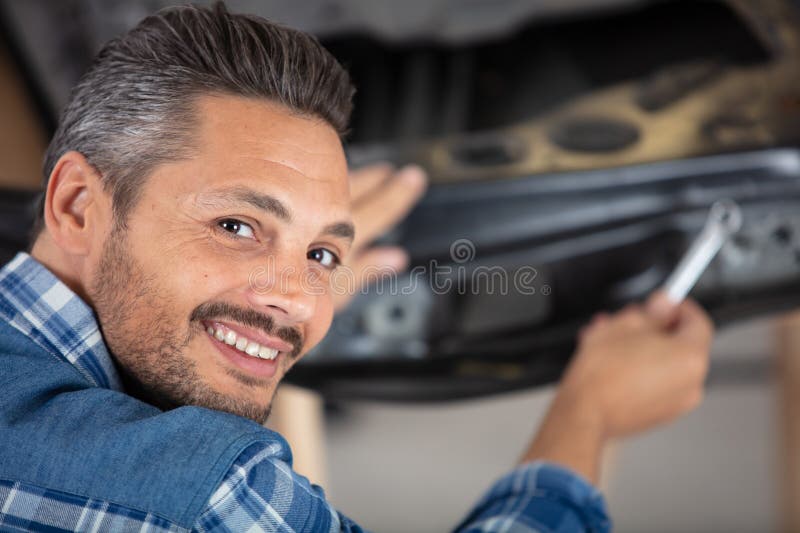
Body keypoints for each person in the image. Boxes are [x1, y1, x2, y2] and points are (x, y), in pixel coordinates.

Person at [0, 3, 713, 531]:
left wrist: (255, 284)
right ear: (76, 205)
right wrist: (589, 412)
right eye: (236, 224)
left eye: (322, 254)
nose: (298, 302)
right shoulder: (203, 495)